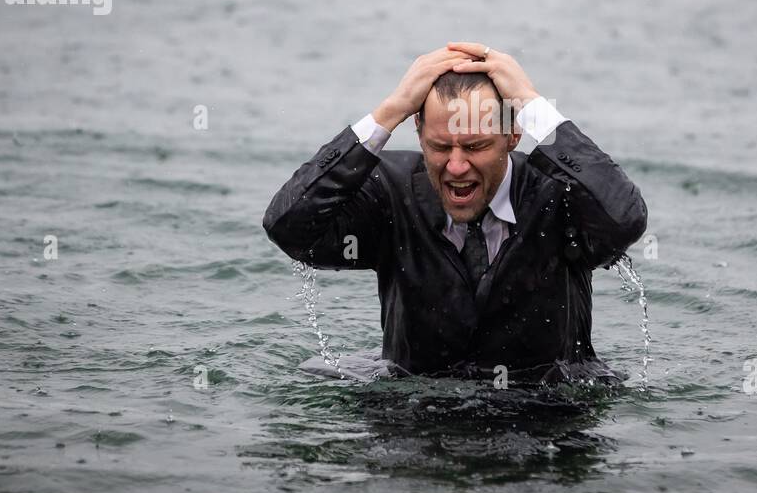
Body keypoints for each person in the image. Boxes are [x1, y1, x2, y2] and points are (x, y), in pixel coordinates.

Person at [262, 42, 648, 383]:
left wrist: (533, 105)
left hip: (543, 417)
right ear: (418, 132)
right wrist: (386, 114)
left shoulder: (560, 195)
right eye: (440, 146)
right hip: (416, 417)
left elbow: (624, 218)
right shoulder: (392, 194)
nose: (457, 166)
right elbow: (289, 227)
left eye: (476, 146)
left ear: (513, 135)